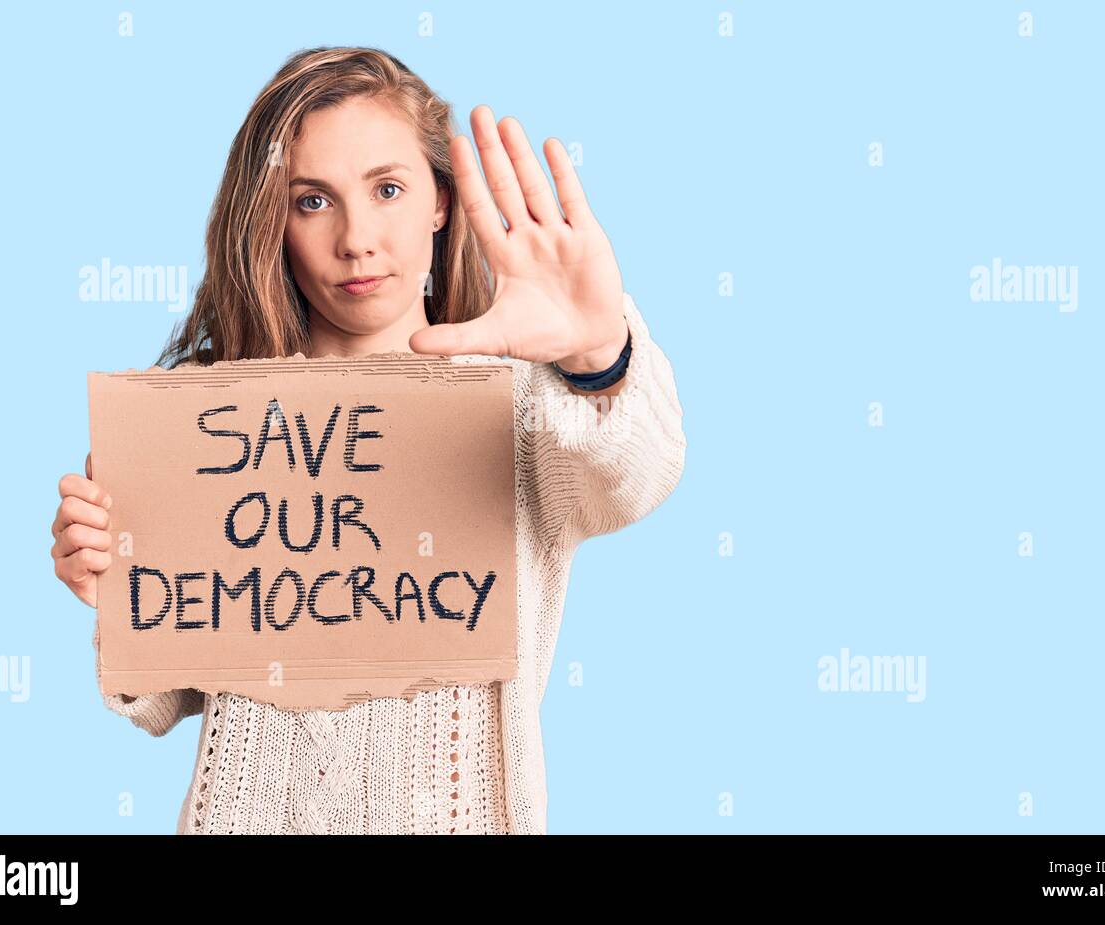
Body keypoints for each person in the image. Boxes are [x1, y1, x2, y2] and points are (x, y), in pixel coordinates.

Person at [50, 46, 685, 834]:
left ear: (440, 203)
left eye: (387, 189)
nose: (356, 238)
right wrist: (109, 583)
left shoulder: (521, 403)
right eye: (312, 201)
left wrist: (596, 358)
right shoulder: (214, 422)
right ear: (273, 220)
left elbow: (636, 470)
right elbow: (162, 695)